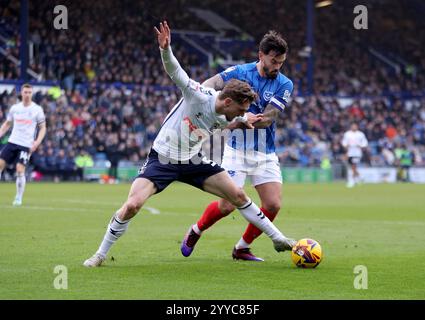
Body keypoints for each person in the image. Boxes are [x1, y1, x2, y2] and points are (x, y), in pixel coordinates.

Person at [83, 21, 296, 267]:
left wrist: (247, 120)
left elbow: (249, 118)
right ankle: (99, 254)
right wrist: (165, 49)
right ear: (227, 102)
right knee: (132, 205)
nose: (241, 114)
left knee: (237, 195)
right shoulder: (198, 94)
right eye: (240, 110)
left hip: (193, 160)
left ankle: (277, 239)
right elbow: (176, 72)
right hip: (163, 158)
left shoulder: (235, 113)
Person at [181, 30, 294, 261]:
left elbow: (269, 118)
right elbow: (211, 83)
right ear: (261, 55)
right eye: (274, 61)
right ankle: (196, 230)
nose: (277, 67)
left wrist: (246, 119)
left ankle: (242, 248)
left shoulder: (285, 84)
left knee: (272, 204)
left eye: (281, 62)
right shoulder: (240, 72)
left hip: (265, 151)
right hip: (236, 150)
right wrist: (201, 97)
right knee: (227, 206)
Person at [0, 84, 46, 205]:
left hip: (26, 144)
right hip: (12, 141)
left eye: (29, 92)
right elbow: (7, 124)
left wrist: (37, 142)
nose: (27, 95)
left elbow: (43, 128)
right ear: (21, 93)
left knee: (20, 169)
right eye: (25, 92)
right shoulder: (15, 108)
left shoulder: (37, 109)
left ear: (32, 94)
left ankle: (18, 197)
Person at [341, 123, 368, 188]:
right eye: (353, 126)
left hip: (357, 153)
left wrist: (361, 146)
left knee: (353, 165)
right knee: (352, 166)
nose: (354, 127)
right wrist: (345, 146)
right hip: (350, 152)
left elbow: (365, 143)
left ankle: (351, 181)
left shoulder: (360, 134)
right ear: (351, 127)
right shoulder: (347, 134)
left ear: (357, 127)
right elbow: (344, 142)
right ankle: (360, 177)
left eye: (355, 126)